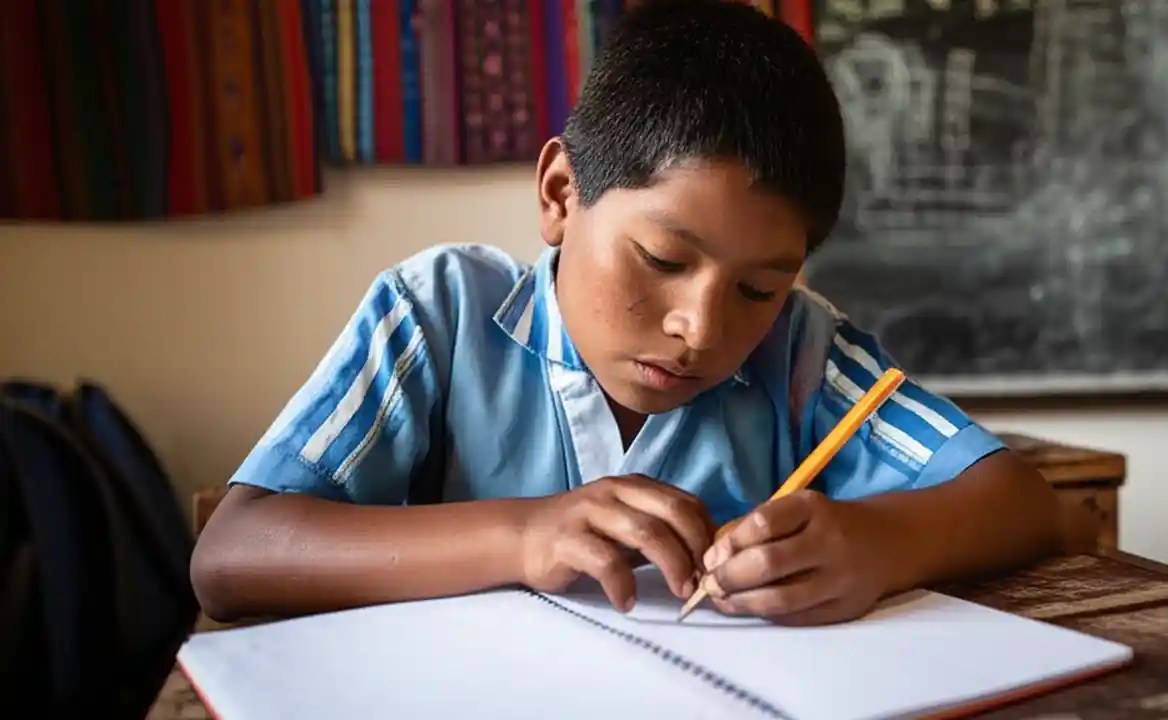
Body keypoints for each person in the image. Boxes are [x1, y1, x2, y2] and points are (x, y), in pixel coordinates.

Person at [191, 0, 1062, 627]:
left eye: (759, 288)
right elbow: (234, 556)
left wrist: (880, 542)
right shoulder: (439, 314)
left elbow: (1019, 500)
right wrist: (523, 531)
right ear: (561, 192)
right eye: (662, 260)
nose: (701, 327)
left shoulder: (799, 352)